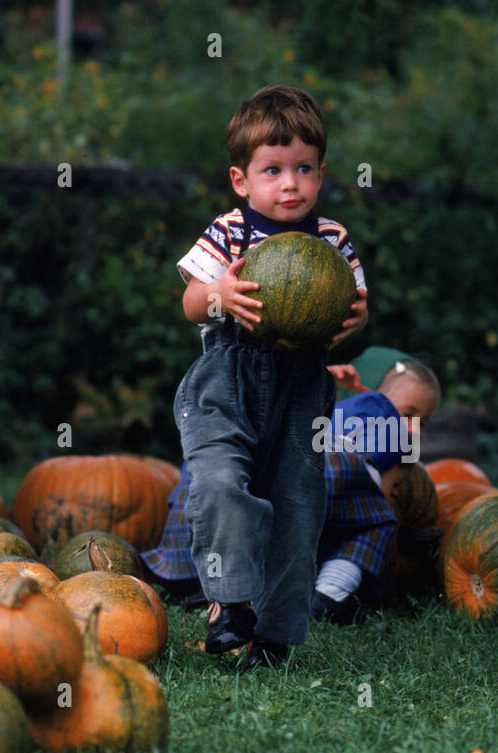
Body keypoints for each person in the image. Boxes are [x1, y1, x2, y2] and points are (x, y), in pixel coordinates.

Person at [172, 85, 368, 669]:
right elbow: (189, 302)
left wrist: (358, 315)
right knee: (218, 481)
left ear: (321, 174)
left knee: (297, 504)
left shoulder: (331, 241)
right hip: (227, 380)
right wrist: (219, 294)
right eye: (273, 170)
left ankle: (276, 636)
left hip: (300, 389)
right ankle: (228, 604)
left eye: (304, 169)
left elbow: (354, 304)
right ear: (242, 180)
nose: (290, 184)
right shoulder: (230, 231)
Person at [144, 358, 442, 627]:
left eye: (422, 423)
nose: (413, 428)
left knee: (243, 511)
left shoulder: (318, 405)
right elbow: (380, 492)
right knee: (377, 521)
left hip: (244, 471)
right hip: (323, 471)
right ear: (379, 395)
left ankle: (209, 584)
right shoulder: (382, 414)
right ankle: (331, 593)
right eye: (408, 413)